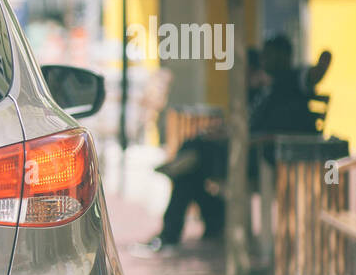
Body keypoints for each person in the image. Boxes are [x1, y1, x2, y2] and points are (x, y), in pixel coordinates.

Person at [140, 35, 331, 254]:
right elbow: (248, 124)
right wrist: (226, 132)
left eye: (268, 54)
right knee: (193, 161)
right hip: (247, 150)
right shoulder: (264, 89)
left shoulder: (293, 79)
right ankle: (203, 215)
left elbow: (316, 73)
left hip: (263, 157)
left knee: (193, 161)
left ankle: (182, 213)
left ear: (283, 57)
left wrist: (325, 57)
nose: (264, 59)